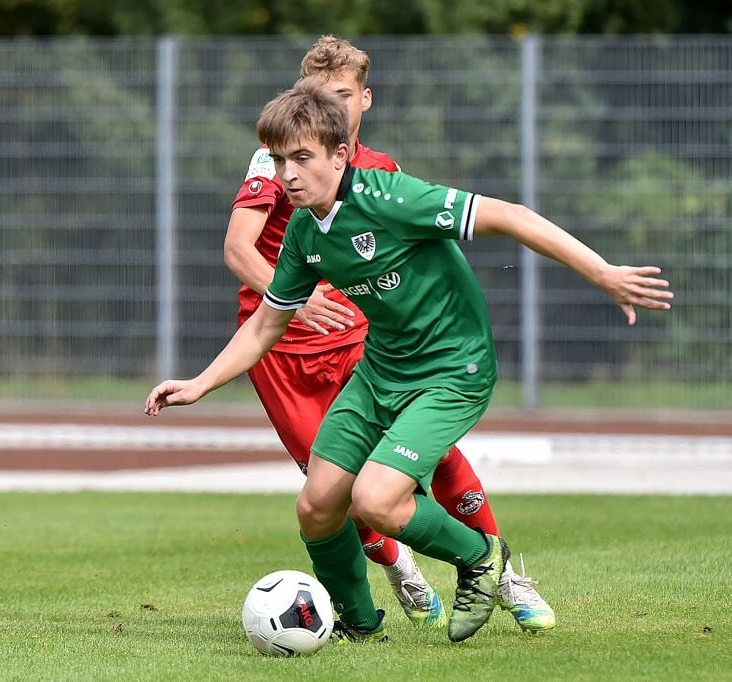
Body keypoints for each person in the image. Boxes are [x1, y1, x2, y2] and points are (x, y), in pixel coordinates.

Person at [147, 79, 672, 643]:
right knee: (317, 506)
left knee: (375, 500)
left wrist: (604, 273)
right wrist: (200, 384)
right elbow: (269, 323)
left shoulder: (391, 198)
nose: (288, 174)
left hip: (452, 372)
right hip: (381, 372)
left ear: (340, 153)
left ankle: (480, 557)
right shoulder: (303, 230)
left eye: (301, 158)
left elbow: (513, 215)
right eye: (279, 161)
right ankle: (359, 622)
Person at [224, 35, 554, 633]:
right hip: (284, 351)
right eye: (318, 96)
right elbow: (238, 248)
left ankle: (498, 572)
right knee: (326, 497)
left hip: (362, 342)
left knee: (427, 462)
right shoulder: (277, 161)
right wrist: (292, 306)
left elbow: (436, 253)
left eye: (343, 96)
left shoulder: (385, 176)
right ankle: (392, 571)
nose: (331, 106)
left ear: (365, 101)